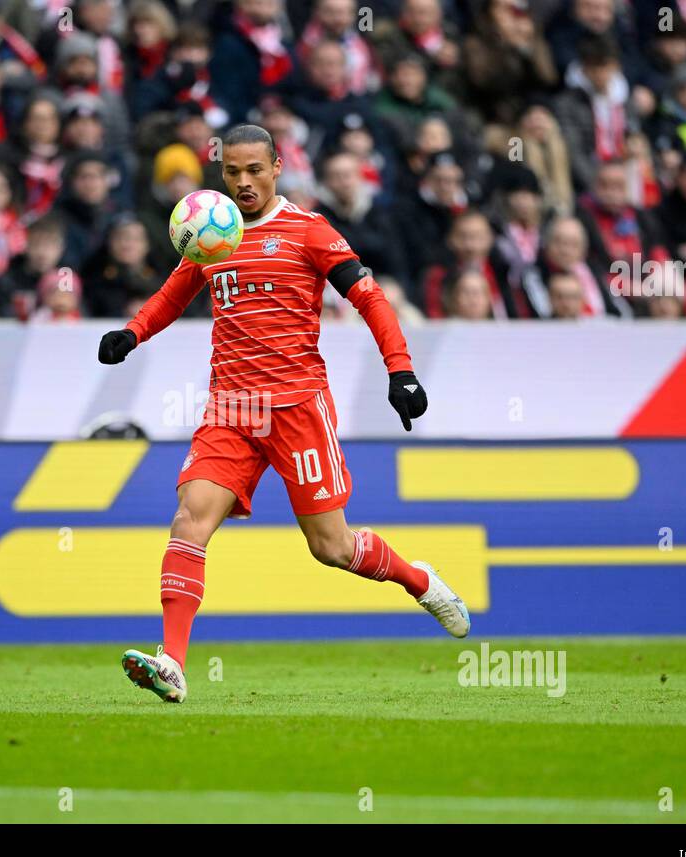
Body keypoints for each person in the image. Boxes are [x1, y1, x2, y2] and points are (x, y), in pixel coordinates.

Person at [96, 124, 469, 704]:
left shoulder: (308, 231)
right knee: (189, 519)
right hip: (231, 407)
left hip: (297, 407)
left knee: (331, 548)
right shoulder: (212, 233)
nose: (243, 183)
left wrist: (401, 370)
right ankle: (172, 660)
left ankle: (417, 580)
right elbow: (176, 291)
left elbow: (369, 298)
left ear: (277, 166)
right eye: (231, 173)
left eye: (253, 170)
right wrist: (133, 332)